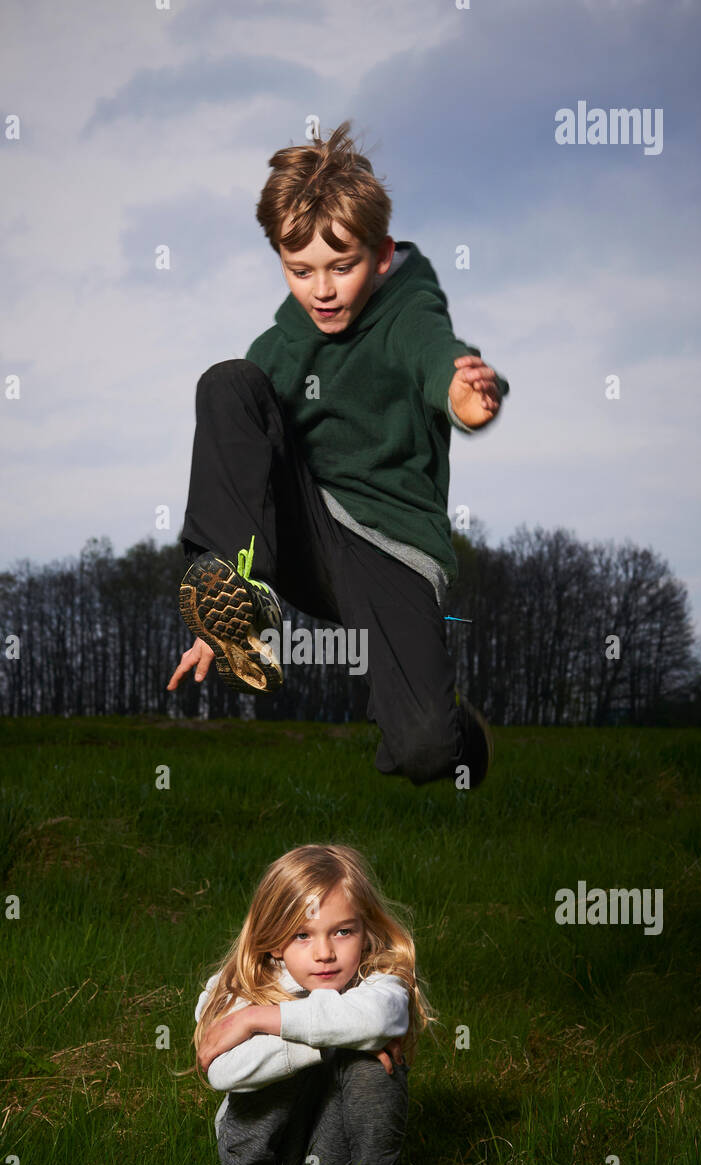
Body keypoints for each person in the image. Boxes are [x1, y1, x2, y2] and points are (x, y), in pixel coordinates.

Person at [168, 120, 508, 788]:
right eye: (301, 271)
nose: (322, 290)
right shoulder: (280, 347)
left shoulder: (408, 312)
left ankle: (457, 729)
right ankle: (233, 593)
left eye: (341, 267)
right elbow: (241, 452)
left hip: (390, 552)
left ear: (380, 257)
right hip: (305, 536)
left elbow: (434, 353)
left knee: (428, 754)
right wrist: (217, 616)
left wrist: (462, 396)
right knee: (231, 382)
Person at [178, 844, 434, 1165]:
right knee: (287, 1058)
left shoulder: (379, 980)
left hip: (335, 1150)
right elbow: (223, 1072)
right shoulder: (247, 987)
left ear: (366, 933)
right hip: (269, 1146)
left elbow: (385, 1016)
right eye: (302, 935)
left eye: (343, 931)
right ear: (274, 940)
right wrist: (325, 1037)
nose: (325, 953)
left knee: (373, 1063)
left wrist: (262, 1021)